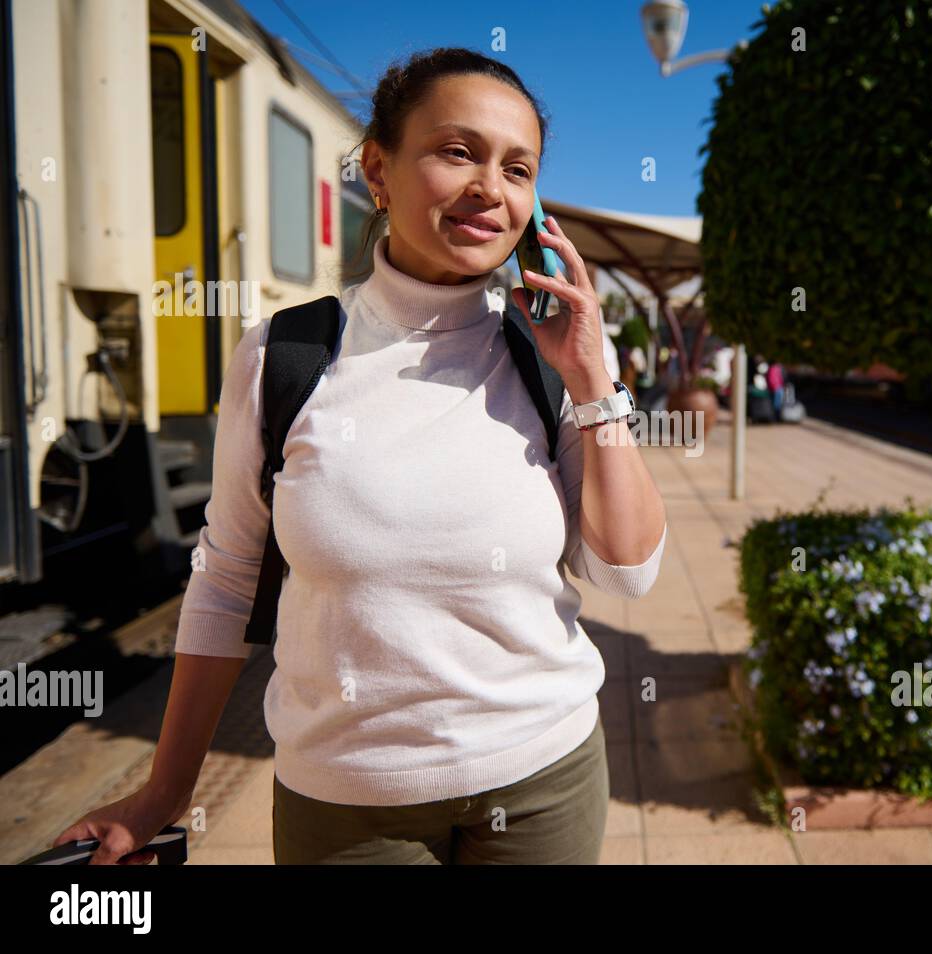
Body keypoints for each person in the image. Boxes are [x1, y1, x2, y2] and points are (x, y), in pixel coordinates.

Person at [52, 47, 667, 865]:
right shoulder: (286, 353)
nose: (492, 187)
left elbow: (628, 571)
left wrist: (592, 378)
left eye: (518, 168)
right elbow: (228, 575)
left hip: (546, 778)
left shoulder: (547, 354)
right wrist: (166, 791)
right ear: (378, 169)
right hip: (348, 804)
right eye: (458, 152)